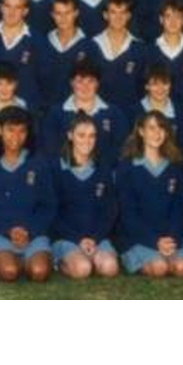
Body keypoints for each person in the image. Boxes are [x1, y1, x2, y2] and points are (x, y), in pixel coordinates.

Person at [0, 106, 56, 282]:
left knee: (39, 271)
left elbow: (48, 206)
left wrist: (30, 230)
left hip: (32, 234)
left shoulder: (38, 163)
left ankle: (30, 259)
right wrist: (7, 230)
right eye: (10, 130)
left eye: (22, 131)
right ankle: (7, 260)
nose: (16, 137)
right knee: (9, 271)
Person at [115, 112, 183, 278]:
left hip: (169, 238)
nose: (157, 133)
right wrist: (154, 241)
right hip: (138, 238)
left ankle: (168, 253)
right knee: (159, 268)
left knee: (182, 267)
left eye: (162, 128)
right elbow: (128, 214)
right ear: (141, 131)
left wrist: (171, 238)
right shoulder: (127, 168)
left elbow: (179, 209)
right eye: (151, 128)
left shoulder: (175, 167)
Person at [49, 113, 119, 279]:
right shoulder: (55, 168)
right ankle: (61, 262)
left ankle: (91, 258)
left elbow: (110, 210)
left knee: (110, 268)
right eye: (81, 135)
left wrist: (94, 237)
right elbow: (51, 212)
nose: (87, 141)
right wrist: (77, 239)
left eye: (92, 136)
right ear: (70, 135)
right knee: (82, 269)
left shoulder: (102, 168)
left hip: (96, 237)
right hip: (66, 237)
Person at [40, 60, 129, 168]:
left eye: (91, 81)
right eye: (80, 81)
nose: (85, 86)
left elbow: (121, 148)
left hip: (104, 175)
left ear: (97, 83)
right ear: (71, 83)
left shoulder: (114, 113)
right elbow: (50, 148)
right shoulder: (55, 113)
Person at [0, 0, 43, 106]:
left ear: (25, 11)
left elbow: (43, 82)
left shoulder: (38, 41)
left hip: (25, 115)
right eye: (7, 6)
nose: (11, 12)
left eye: (17, 7)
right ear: (1, 7)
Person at [143, 0, 183, 110]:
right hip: (156, 114)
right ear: (161, 19)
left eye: (178, 17)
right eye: (168, 16)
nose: (173, 22)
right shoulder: (149, 50)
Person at [89, 0, 146, 111]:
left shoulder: (140, 48)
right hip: (97, 114)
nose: (118, 17)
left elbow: (143, 87)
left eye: (123, 13)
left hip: (130, 114)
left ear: (129, 16)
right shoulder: (92, 45)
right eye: (113, 12)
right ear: (105, 15)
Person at [36, 0, 92, 107]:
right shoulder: (42, 44)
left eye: (68, 13)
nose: (63, 18)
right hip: (46, 110)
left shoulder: (89, 46)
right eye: (58, 13)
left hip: (78, 111)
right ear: (52, 15)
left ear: (76, 13)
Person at [132, 64, 183, 148]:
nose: (160, 88)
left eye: (165, 83)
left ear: (170, 85)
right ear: (146, 86)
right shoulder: (133, 111)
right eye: (155, 84)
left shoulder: (180, 111)